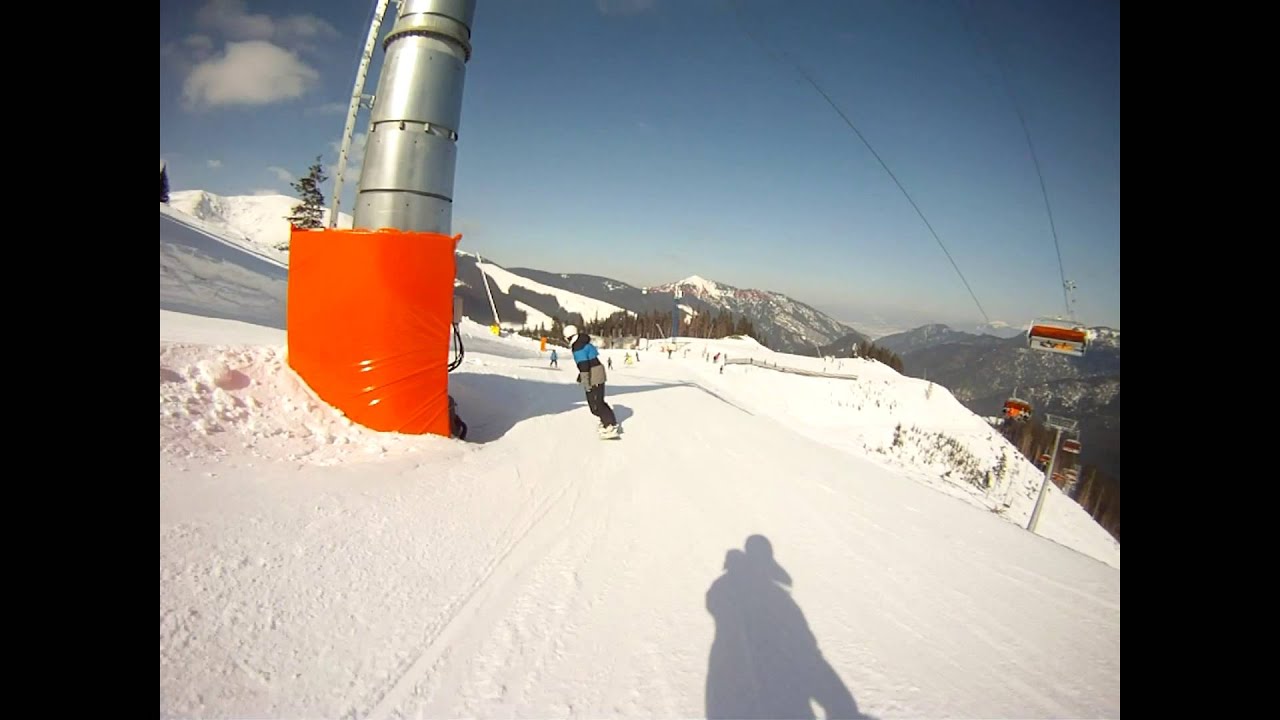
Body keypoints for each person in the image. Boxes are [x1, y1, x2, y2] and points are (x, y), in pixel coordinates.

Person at [564, 324, 618, 435]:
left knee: (595, 405)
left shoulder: (577, 346)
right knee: (598, 402)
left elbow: (584, 365)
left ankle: (610, 425)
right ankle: (608, 421)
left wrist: (585, 381)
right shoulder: (584, 342)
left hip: (594, 375)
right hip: (597, 371)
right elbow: (589, 360)